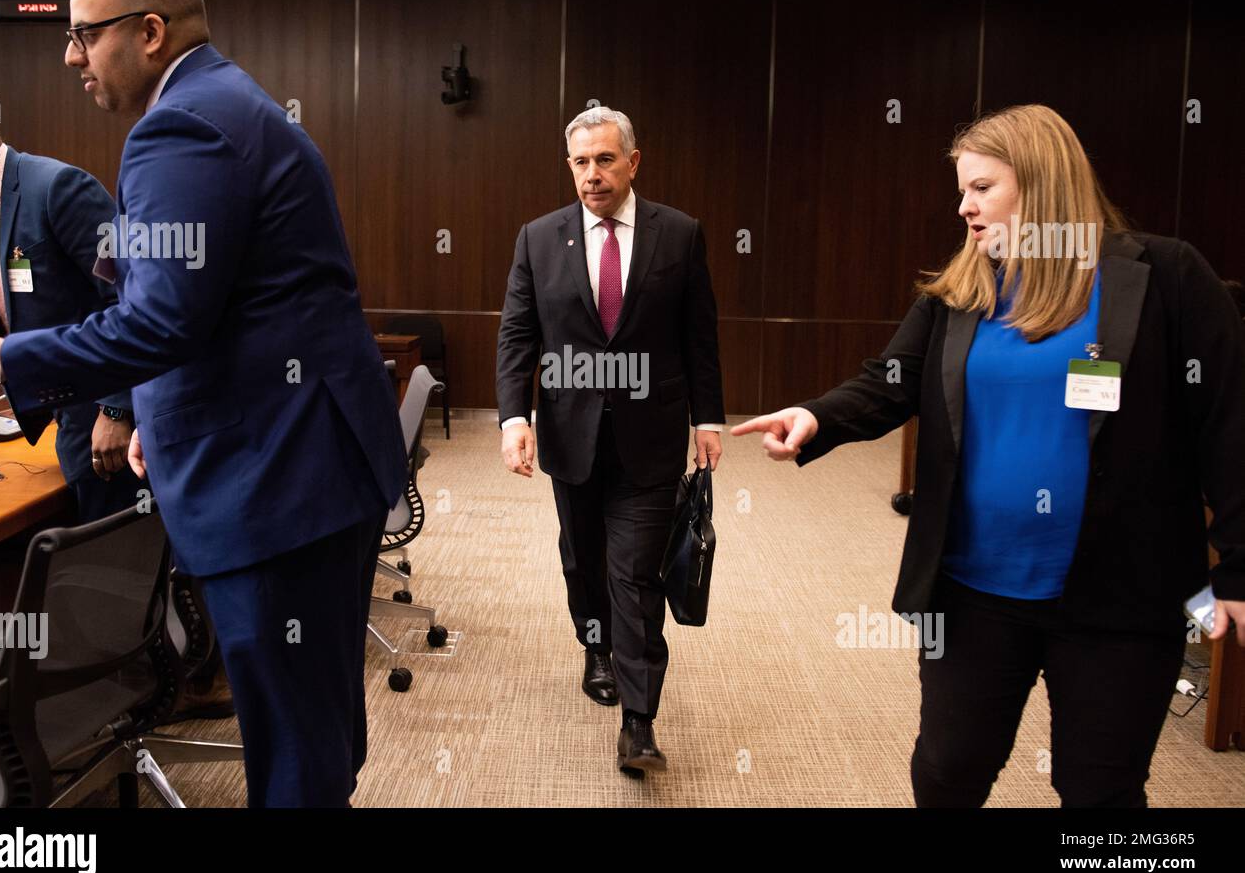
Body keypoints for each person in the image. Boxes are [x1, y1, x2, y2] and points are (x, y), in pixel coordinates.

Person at [0, 0, 407, 807]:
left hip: (275, 481)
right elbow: (202, 305)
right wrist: (154, 413)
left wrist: (4, 357)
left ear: (150, 31)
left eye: (84, 35)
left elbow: (160, 321)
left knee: (297, 757)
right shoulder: (220, 104)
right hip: (301, 460)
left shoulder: (180, 129)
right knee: (309, 735)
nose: (71, 57)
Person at [733, 104, 1245, 807]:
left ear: (1041, 182)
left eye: (981, 187)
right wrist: (817, 416)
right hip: (973, 588)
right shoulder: (964, 290)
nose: (963, 206)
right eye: (963, 189)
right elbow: (890, 381)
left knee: (1099, 790)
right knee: (947, 770)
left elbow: (1230, 422)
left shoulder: (1164, 276)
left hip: (1120, 595)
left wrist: (1238, 568)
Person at [496, 107, 725, 774]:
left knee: (636, 573)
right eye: (580, 162)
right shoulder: (539, 238)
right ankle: (594, 645)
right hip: (571, 434)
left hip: (650, 436)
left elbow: (699, 336)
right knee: (583, 558)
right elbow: (517, 335)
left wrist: (708, 419)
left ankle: (639, 721)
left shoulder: (678, 234)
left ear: (632, 161)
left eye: (604, 159)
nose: (591, 174)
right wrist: (514, 419)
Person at [0, 82, 138, 522]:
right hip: (59, 417)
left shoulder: (57, 187)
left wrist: (118, 408)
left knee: (116, 550)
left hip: (106, 417)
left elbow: (129, 298)